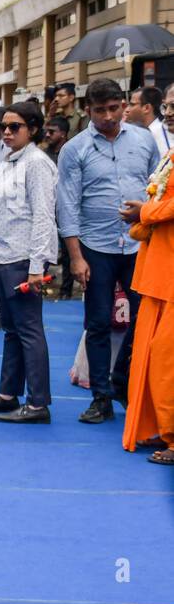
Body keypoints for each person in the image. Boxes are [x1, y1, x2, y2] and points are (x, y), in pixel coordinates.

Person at [56, 78, 161, 424]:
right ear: (88, 111)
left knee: (144, 320)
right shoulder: (75, 149)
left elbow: (158, 189)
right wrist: (75, 257)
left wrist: (145, 213)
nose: (108, 116)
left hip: (140, 244)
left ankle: (128, 385)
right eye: (100, 110)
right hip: (95, 246)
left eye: (114, 108)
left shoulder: (144, 139)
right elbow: (67, 205)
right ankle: (101, 397)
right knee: (98, 323)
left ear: (123, 106)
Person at [0, 102, 59, 423]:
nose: (7, 132)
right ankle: (8, 394)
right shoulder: (7, 162)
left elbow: (44, 218)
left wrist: (37, 265)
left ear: (32, 129)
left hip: (24, 259)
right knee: (11, 330)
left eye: (15, 127)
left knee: (29, 330)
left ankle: (37, 404)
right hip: (3, 258)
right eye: (4, 127)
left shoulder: (37, 164)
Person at [120, 137, 174, 463]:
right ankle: (160, 427)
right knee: (153, 356)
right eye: (169, 107)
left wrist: (146, 212)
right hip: (159, 271)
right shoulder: (170, 154)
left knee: (166, 357)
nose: (170, 114)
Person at [127, 85, 171, 156]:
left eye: (132, 105)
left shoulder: (167, 133)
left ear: (146, 108)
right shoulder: (134, 134)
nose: (127, 109)